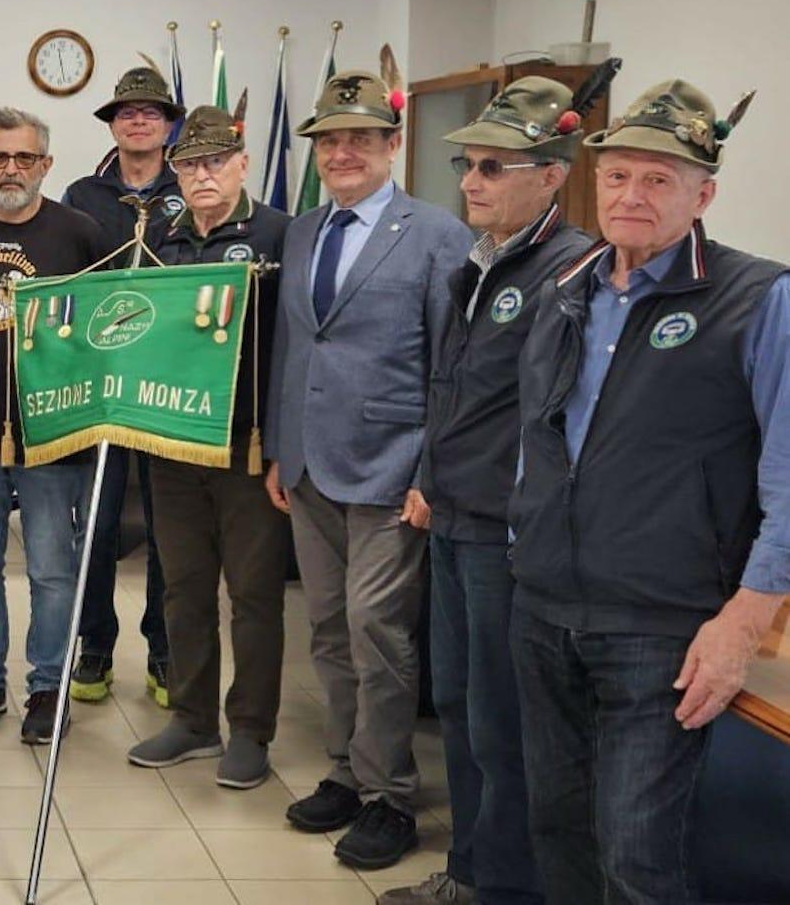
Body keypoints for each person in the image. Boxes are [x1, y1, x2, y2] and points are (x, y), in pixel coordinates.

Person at [508, 79, 790, 904]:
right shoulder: (569, 289)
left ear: (703, 195)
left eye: (659, 179)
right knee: (555, 826)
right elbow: (539, 438)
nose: (632, 194)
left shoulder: (759, 299)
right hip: (544, 606)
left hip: (662, 627)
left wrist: (747, 618)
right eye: (619, 175)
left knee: (636, 854)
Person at [382, 77, 594, 905]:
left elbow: (551, 421)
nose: (470, 183)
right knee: (462, 709)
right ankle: (470, 870)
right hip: (454, 518)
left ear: (551, 174)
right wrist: (432, 479)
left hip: (510, 538)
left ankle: (505, 885)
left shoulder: (571, 271)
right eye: (469, 166)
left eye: (493, 167)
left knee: (505, 727)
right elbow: (457, 388)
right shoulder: (482, 262)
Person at [267, 62, 472, 870]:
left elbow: (451, 366)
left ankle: (391, 795)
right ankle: (347, 772)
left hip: (394, 466)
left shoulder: (435, 235)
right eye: (329, 140)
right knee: (324, 629)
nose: (342, 152)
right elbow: (295, 346)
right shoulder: (304, 230)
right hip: (312, 466)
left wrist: (432, 472)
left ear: (393, 143)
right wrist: (282, 447)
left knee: (376, 631)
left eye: (359, 137)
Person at [0, 107, 108, 744]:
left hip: (53, 434)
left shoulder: (80, 232)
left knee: (52, 570)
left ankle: (47, 687)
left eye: (24, 158)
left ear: (46, 165)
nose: (11, 169)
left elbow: (101, 332)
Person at [130, 104, 291, 789]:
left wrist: (286, 442)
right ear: (174, 170)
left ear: (242, 163)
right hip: (173, 439)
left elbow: (296, 347)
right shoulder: (160, 237)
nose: (202, 174)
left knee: (253, 593)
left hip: (245, 445)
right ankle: (194, 718)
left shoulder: (280, 233)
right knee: (183, 586)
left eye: (215, 161)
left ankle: (251, 729)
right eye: (190, 163)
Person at [61, 65, 181, 706]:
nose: (138, 121)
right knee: (98, 526)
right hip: (100, 384)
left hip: (164, 382)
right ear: (112, 123)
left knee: (168, 528)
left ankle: (164, 650)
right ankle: (95, 648)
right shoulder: (82, 195)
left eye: (152, 113)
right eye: (127, 112)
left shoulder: (189, 189)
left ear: (168, 125)